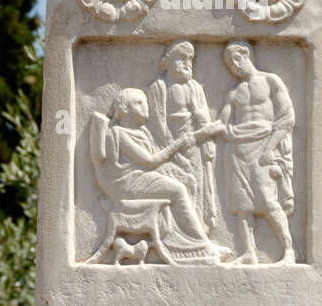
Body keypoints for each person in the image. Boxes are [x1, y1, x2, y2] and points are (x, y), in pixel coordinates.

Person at [92, 88, 223, 256]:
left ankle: (184, 240)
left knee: (187, 181)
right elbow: (150, 161)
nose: (145, 106)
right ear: (124, 109)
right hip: (123, 182)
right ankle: (203, 245)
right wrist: (180, 143)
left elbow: (155, 157)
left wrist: (178, 167)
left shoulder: (142, 132)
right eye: (139, 102)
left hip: (138, 177)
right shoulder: (118, 133)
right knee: (178, 190)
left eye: (145, 102)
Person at [219, 41, 296, 264]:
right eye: (229, 64)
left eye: (236, 59)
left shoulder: (270, 81)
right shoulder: (234, 93)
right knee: (242, 205)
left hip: (263, 146)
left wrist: (271, 147)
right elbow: (223, 124)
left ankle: (289, 250)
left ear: (246, 54)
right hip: (237, 150)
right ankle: (249, 252)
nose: (234, 66)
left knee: (268, 199)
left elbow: (287, 117)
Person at [147, 41, 219, 233]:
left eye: (190, 59)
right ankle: (175, 229)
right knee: (177, 185)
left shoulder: (194, 87)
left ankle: (197, 229)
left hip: (194, 146)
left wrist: (207, 142)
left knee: (198, 184)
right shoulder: (159, 87)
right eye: (181, 57)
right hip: (168, 147)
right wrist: (174, 152)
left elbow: (202, 116)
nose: (187, 63)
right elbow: (157, 122)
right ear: (167, 61)